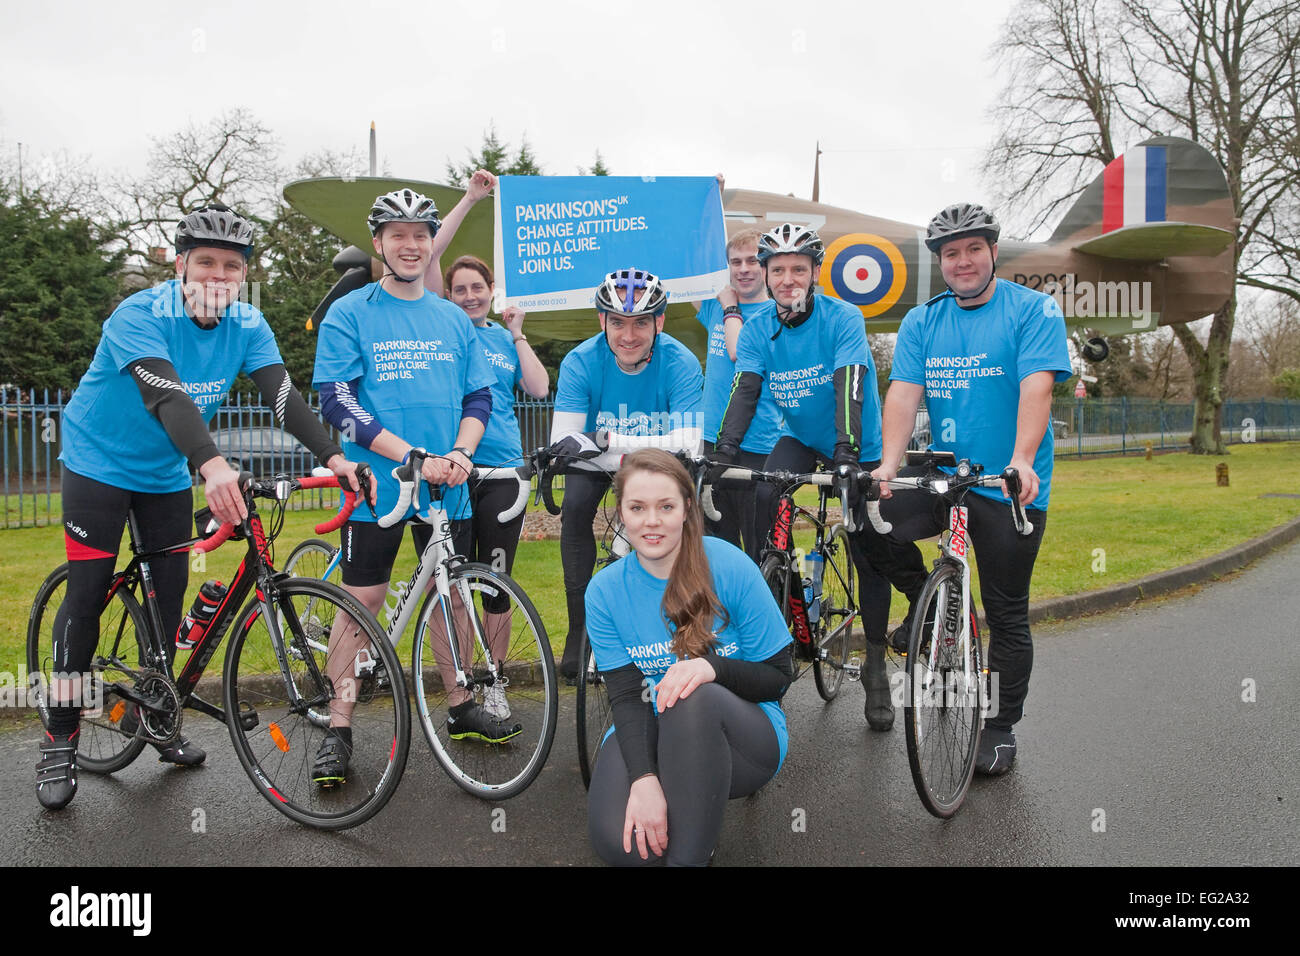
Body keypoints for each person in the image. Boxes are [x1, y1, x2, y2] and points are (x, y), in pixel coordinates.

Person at [40, 204, 369, 811]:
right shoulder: (138, 315)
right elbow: (167, 395)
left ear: (244, 274)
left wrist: (335, 455)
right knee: (86, 597)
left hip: (163, 473)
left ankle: (158, 717)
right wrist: (212, 463)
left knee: (168, 605)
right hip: (97, 464)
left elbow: (282, 397)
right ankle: (61, 734)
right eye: (207, 263)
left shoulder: (247, 325)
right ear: (179, 264)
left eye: (232, 266)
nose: (219, 276)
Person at [867, 202, 1071, 775]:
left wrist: (1023, 460)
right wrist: (886, 466)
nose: (963, 261)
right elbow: (904, 395)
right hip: (946, 475)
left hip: (1007, 485)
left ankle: (999, 727)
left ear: (992, 252)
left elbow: (1038, 390)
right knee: (866, 519)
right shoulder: (922, 321)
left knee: (1007, 614)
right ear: (940, 262)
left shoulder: (1032, 311)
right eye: (951, 253)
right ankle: (928, 608)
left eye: (973, 249)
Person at [312, 187, 504, 784]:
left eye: (422, 233)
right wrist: (410, 456)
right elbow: (336, 401)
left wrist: (462, 453)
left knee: (453, 594)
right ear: (379, 244)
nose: (412, 244)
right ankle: (338, 725)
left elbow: (480, 395)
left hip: (447, 481)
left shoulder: (452, 317)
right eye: (398, 234)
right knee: (362, 602)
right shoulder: (351, 312)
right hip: (381, 483)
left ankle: (462, 706)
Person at [712, 222, 898, 732]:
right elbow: (746, 389)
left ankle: (877, 662)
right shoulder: (756, 330)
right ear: (768, 278)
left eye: (798, 269)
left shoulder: (842, 317)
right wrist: (724, 450)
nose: (788, 278)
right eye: (778, 270)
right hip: (800, 438)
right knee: (766, 489)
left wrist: (845, 452)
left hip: (853, 438)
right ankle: (782, 581)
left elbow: (850, 385)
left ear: (814, 273)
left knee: (865, 547)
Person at [585, 450, 793, 866]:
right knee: (623, 847)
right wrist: (644, 780)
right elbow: (627, 699)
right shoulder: (604, 592)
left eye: (666, 506)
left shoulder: (729, 565)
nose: (652, 521)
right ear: (621, 513)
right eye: (637, 507)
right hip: (650, 729)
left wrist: (710, 668)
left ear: (686, 509)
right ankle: (690, 829)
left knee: (690, 693)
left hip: (740, 737)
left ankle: (691, 854)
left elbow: (778, 677)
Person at [546, 267, 704, 681]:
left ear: (660, 322)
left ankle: (681, 625)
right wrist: (611, 451)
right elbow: (564, 445)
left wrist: (605, 440)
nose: (628, 335)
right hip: (603, 464)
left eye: (640, 323)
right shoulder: (580, 361)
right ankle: (579, 628)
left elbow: (689, 446)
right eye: (617, 323)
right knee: (576, 506)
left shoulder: (681, 362)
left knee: (677, 521)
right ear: (602, 321)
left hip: (651, 464)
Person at [442, 253, 549, 716]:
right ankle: (461, 688)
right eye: (460, 289)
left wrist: (519, 333)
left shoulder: (505, 339)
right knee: (454, 586)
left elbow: (540, 388)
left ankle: (494, 682)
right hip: (454, 472)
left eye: (477, 287)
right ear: (447, 295)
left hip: (504, 474)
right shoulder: (442, 334)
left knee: (496, 584)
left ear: (491, 291)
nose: (469, 296)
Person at [696, 227, 782, 561]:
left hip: (758, 444)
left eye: (752, 261)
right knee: (716, 550)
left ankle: (766, 612)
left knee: (762, 549)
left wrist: (731, 307)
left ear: (766, 267)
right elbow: (690, 269)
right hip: (712, 440)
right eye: (735, 262)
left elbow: (737, 351)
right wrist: (708, 205)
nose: (743, 269)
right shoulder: (714, 305)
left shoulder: (776, 315)